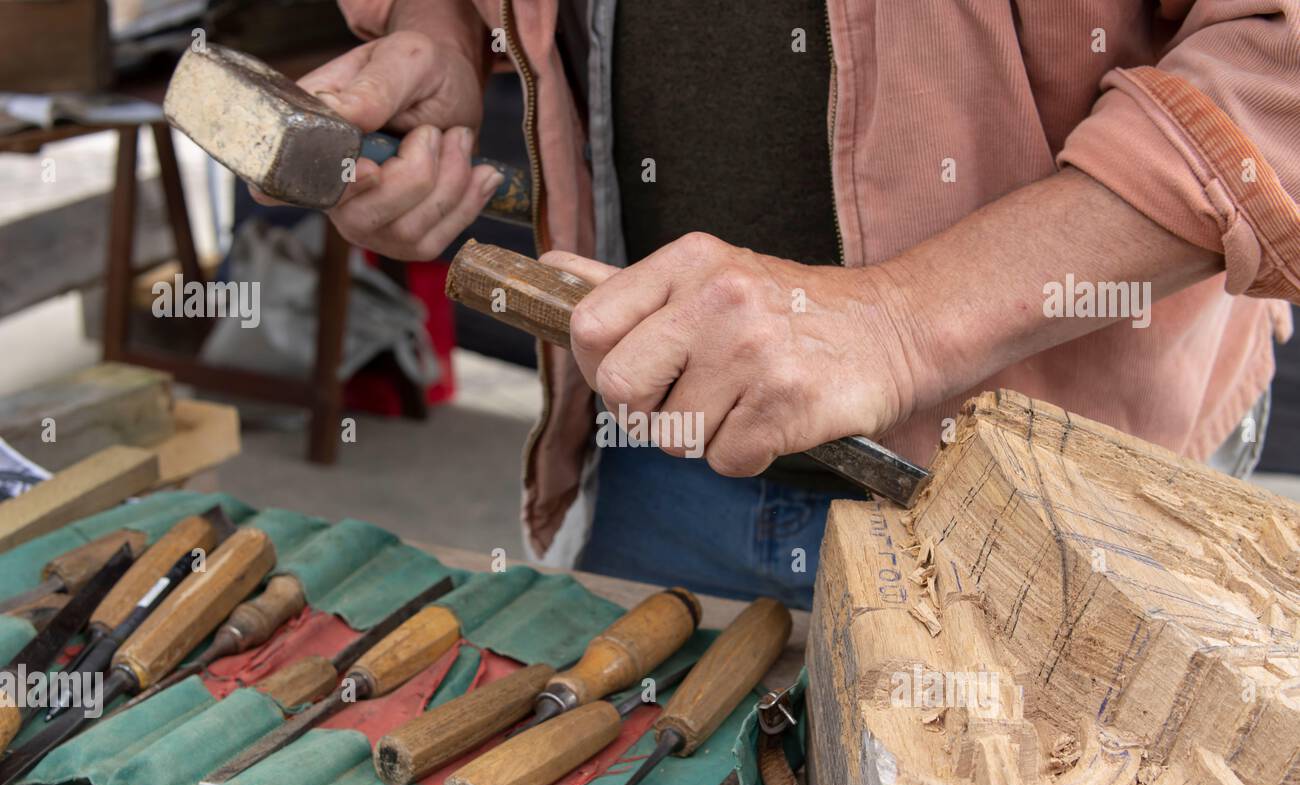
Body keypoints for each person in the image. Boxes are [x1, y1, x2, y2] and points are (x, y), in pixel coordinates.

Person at [283, 0, 1299, 609]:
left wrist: (900, 321)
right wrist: (444, 30)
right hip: (661, 448)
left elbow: (1272, 58)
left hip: (1050, 487)